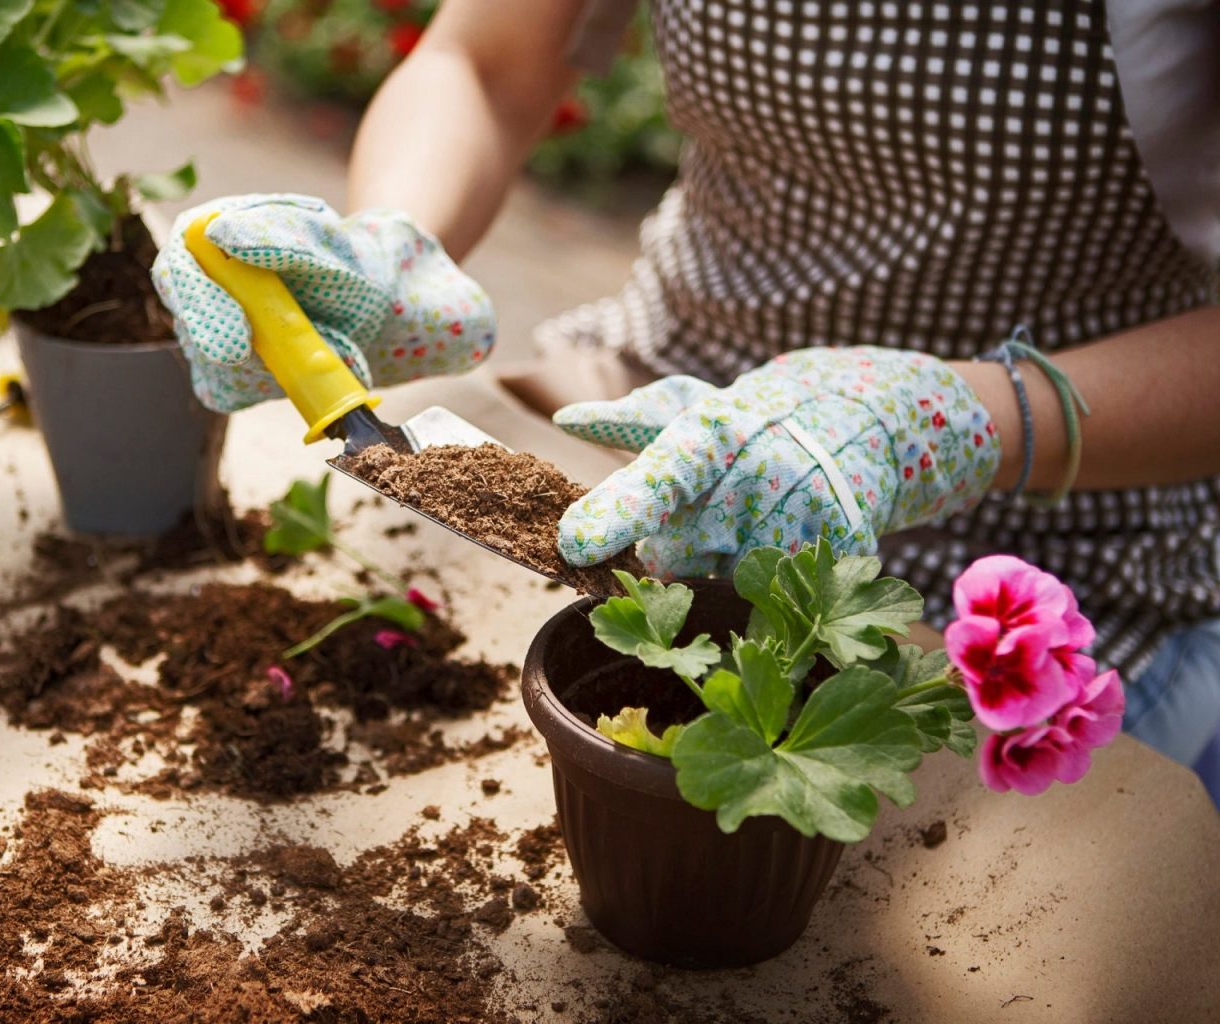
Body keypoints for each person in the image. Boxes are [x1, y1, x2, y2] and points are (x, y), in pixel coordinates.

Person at [152, 0, 1220, 799]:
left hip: (1061, 522)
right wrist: (391, 246)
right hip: (653, 417)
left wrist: (955, 420)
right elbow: (483, 62)